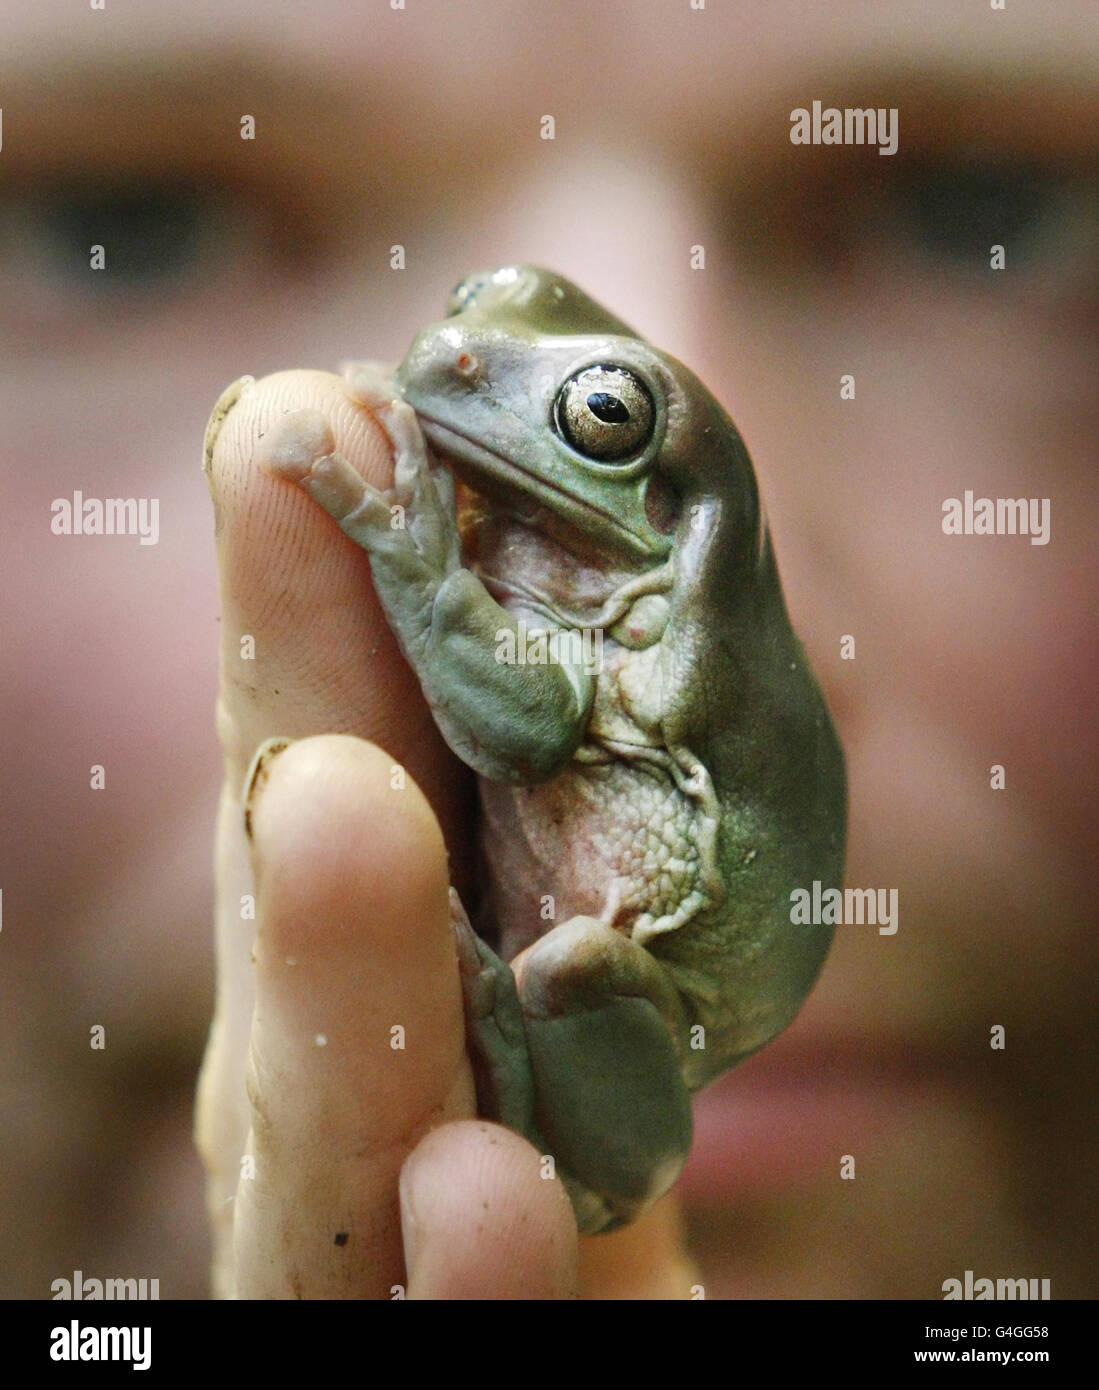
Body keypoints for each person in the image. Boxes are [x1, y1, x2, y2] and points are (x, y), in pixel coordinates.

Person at [3, 0, 1095, 1299]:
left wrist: (419, 559)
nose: (811, 630)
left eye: (986, 219)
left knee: (569, 971)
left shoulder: (654, 658)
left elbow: (525, 720)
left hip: (633, 974)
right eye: (123, 228)